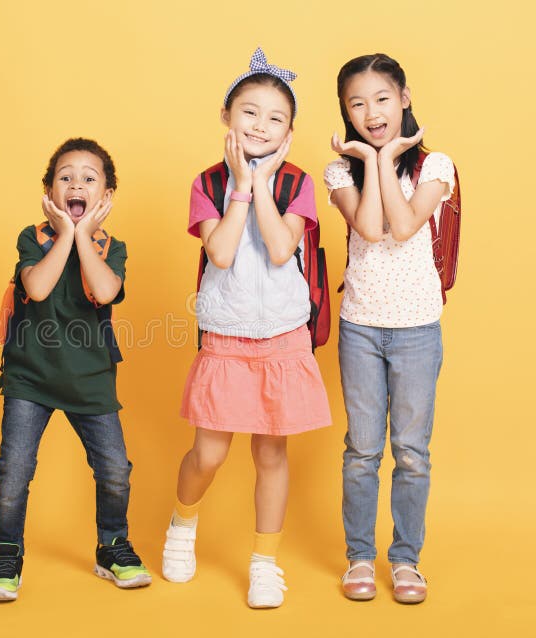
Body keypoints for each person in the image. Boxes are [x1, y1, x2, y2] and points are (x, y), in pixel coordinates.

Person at [161, 48, 331, 608]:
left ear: (289, 130)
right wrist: (239, 183)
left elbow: (284, 249)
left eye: (275, 117)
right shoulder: (207, 184)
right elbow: (224, 253)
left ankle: (264, 562)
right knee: (208, 454)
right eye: (249, 113)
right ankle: (182, 526)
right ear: (226, 116)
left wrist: (262, 181)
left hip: (283, 334)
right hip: (228, 336)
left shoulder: (299, 184)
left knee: (271, 455)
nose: (260, 125)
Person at [0, 138, 151, 602]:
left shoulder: (112, 247)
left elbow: (105, 289)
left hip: (90, 380)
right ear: (50, 192)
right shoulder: (31, 238)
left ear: (107, 196)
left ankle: (112, 545)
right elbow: (35, 288)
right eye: (66, 177)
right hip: (29, 377)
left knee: (115, 470)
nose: (76, 183)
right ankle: (5, 554)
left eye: (89, 178)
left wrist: (81, 236)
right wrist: (64, 235)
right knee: (14, 470)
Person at [325, 53, 455, 604]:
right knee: (361, 450)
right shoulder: (337, 173)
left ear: (403, 98)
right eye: (357, 103)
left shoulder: (436, 166)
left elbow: (404, 226)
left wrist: (387, 159)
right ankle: (359, 556)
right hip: (360, 327)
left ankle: (405, 561)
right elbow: (373, 228)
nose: (371, 112)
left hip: (417, 329)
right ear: (347, 113)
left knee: (411, 451)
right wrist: (373, 161)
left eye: (381, 98)